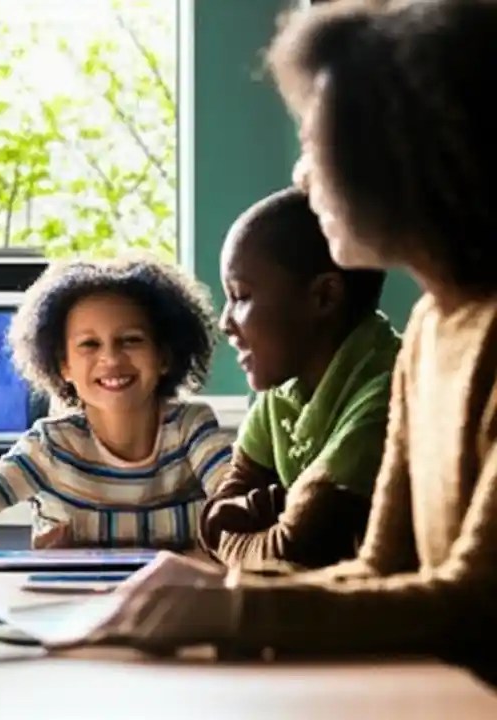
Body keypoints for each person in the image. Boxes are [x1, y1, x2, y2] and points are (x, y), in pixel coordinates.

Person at [89, 0, 497, 661]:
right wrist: (214, 594)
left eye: (315, 144)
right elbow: (381, 571)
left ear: (404, 156)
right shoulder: (429, 330)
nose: (302, 175)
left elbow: (475, 603)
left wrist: (235, 607)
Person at [0, 257, 236, 563]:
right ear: (64, 366)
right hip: (72, 598)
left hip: (178, 597)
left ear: (164, 356)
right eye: (89, 344)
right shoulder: (49, 446)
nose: (111, 358)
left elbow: (240, 508)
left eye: (131, 340)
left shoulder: (191, 428)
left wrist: (81, 530)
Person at [203, 186, 397, 571]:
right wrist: (281, 505)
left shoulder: (390, 393)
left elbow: (297, 550)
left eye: (240, 296)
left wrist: (266, 511)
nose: (225, 322)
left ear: (324, 296)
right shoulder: (283, 389)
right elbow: (217, 518)